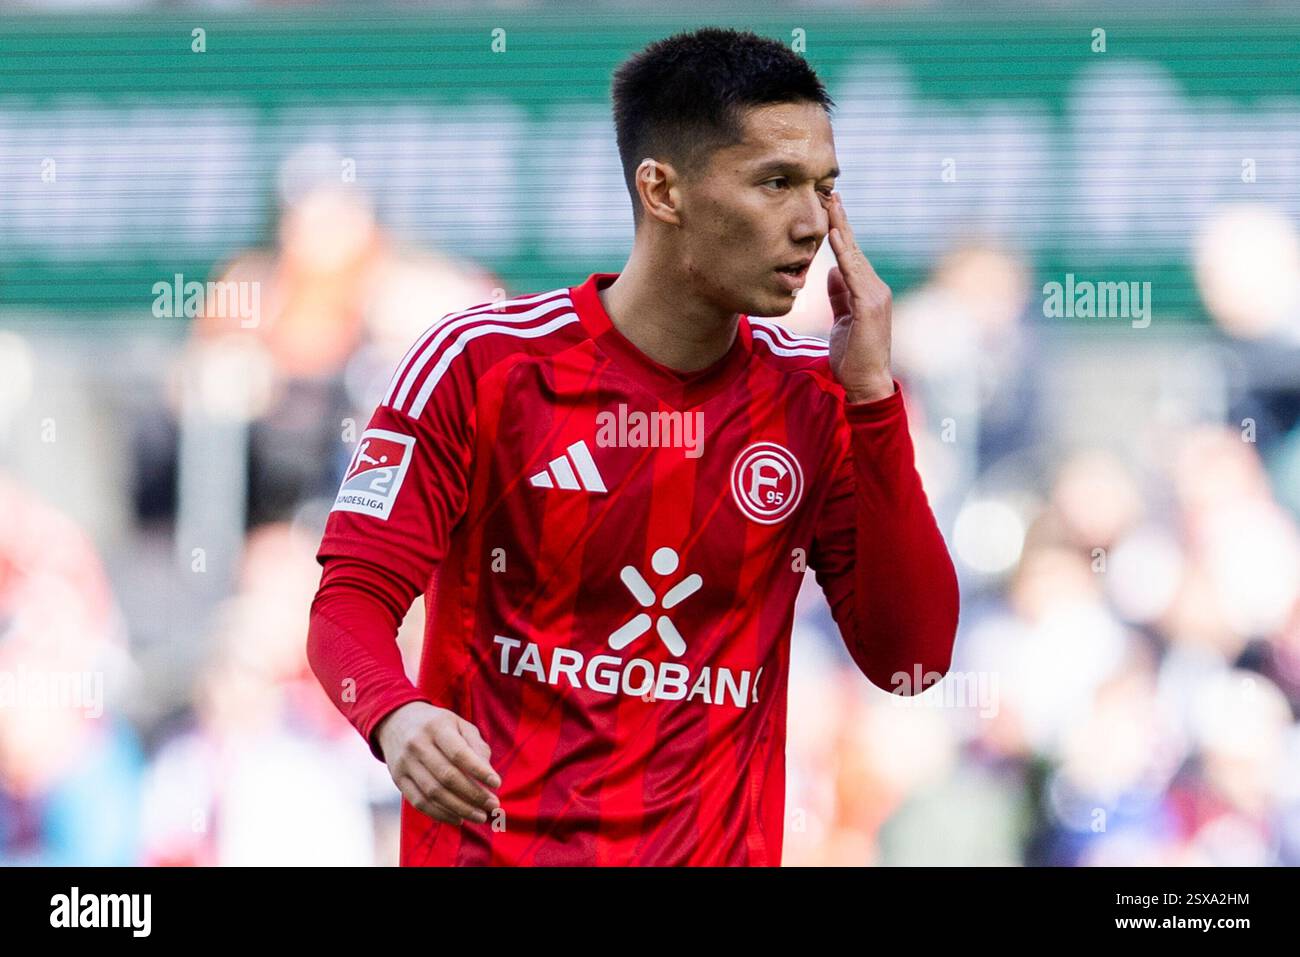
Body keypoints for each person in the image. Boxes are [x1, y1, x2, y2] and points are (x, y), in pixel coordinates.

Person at [306, 26, 959, 866]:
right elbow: (345, 603)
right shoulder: (482, 364)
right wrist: (394, 713)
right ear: (662, 190)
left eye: (824, 188)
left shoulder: (819, 397)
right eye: (775, 182)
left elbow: (912, 659)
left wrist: (873, 399)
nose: (810, 224)